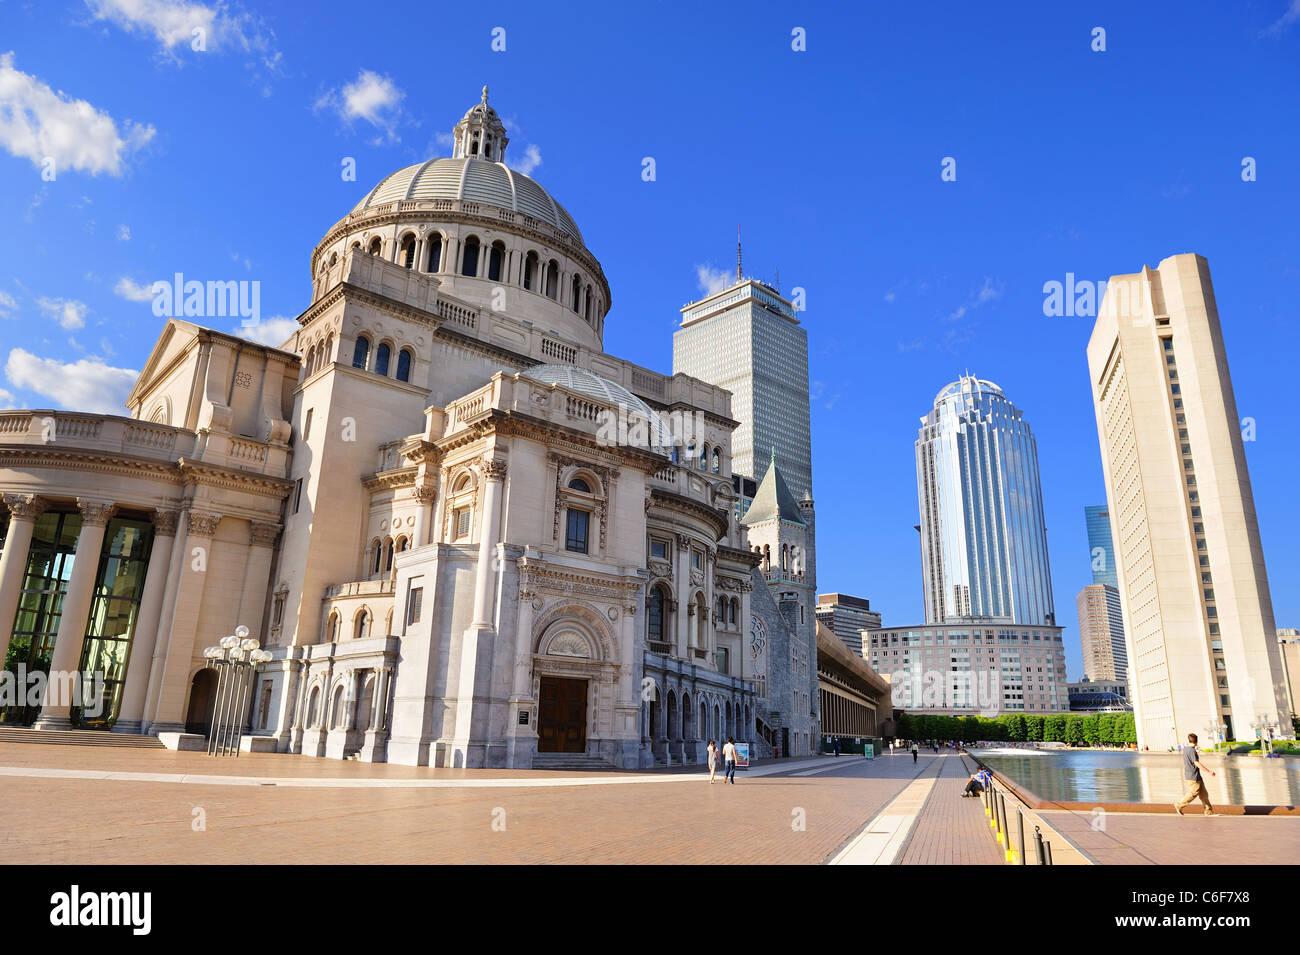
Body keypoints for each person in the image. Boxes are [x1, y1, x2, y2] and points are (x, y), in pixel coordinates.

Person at [1174, 732, 1218, 816]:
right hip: (1193, 776)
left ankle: (1208, 811)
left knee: (1204, 795)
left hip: (1196, 776)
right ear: (1197, 741)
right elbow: (1196, 763)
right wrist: (1209, 771)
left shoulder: (1186, 749)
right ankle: (1179, 805)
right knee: (1194, 793)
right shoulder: (1192, 750)